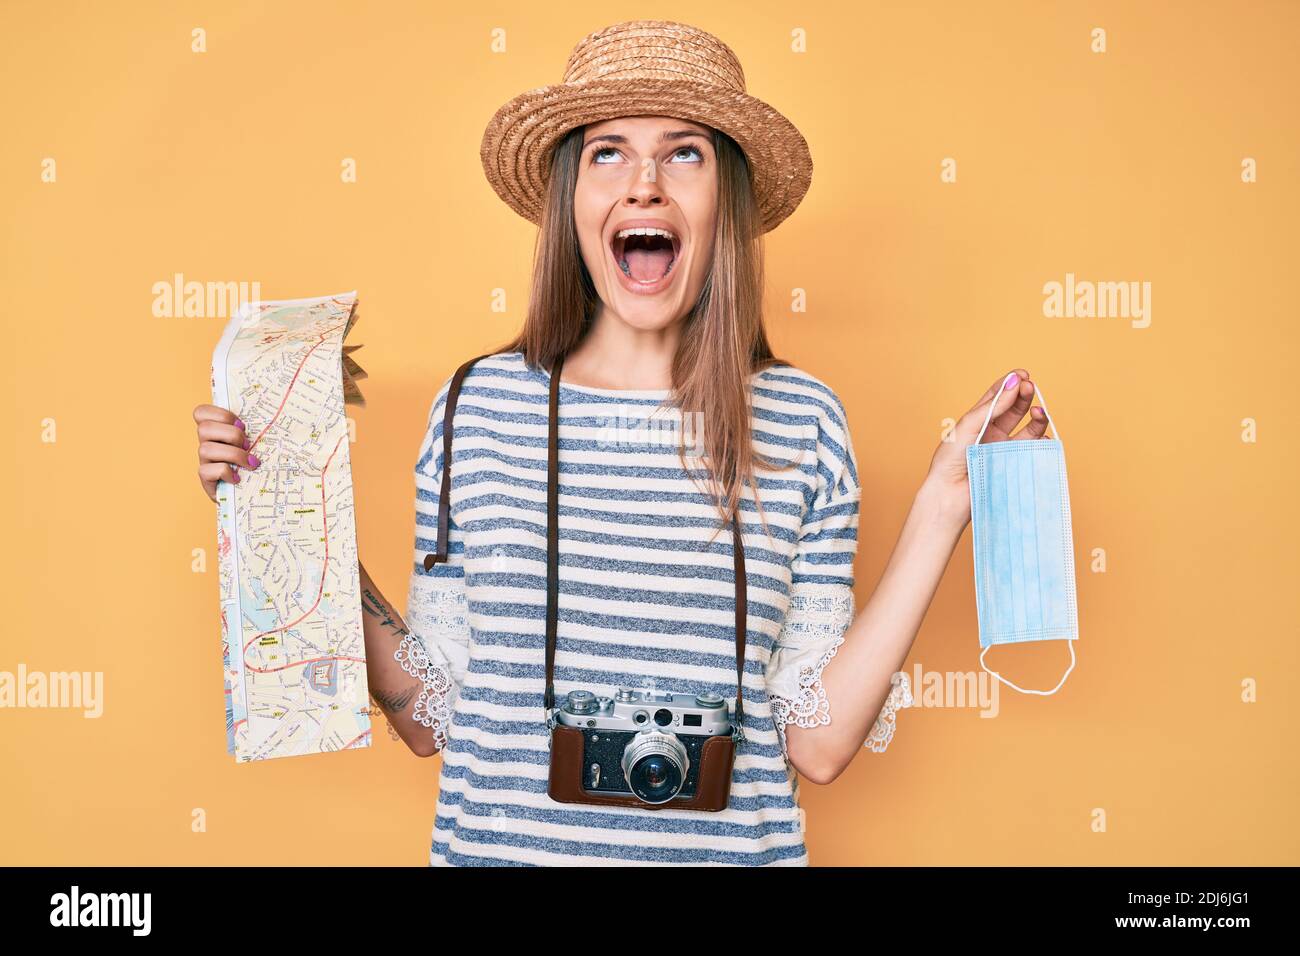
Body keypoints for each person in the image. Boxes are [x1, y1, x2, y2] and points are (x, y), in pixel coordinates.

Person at [191, 19, 1051, 866]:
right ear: (573, 201)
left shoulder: (803, 421)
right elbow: (432, 713)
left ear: (726, 201)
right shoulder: (477, 407)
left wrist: (944, 506)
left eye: (685, 153)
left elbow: (818, 748)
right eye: (607, 152)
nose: (644, 185)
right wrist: (290, 509)